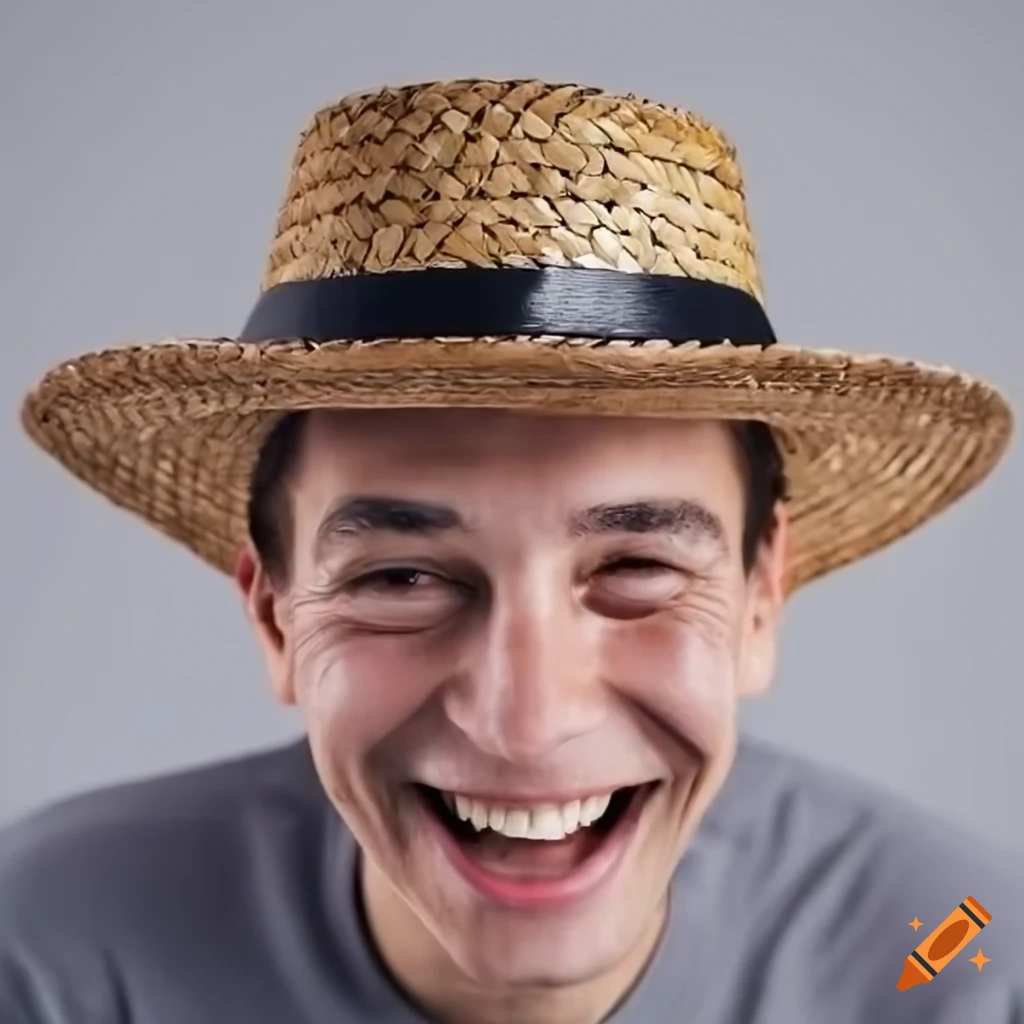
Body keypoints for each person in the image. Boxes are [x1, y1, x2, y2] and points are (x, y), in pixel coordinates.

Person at [2, 78, 1021, 1024]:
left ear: (762, 598)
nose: (526, 726)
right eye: (401, 577)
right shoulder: (46, 953)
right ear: (274, 615)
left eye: (634, 570)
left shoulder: (962, 962)